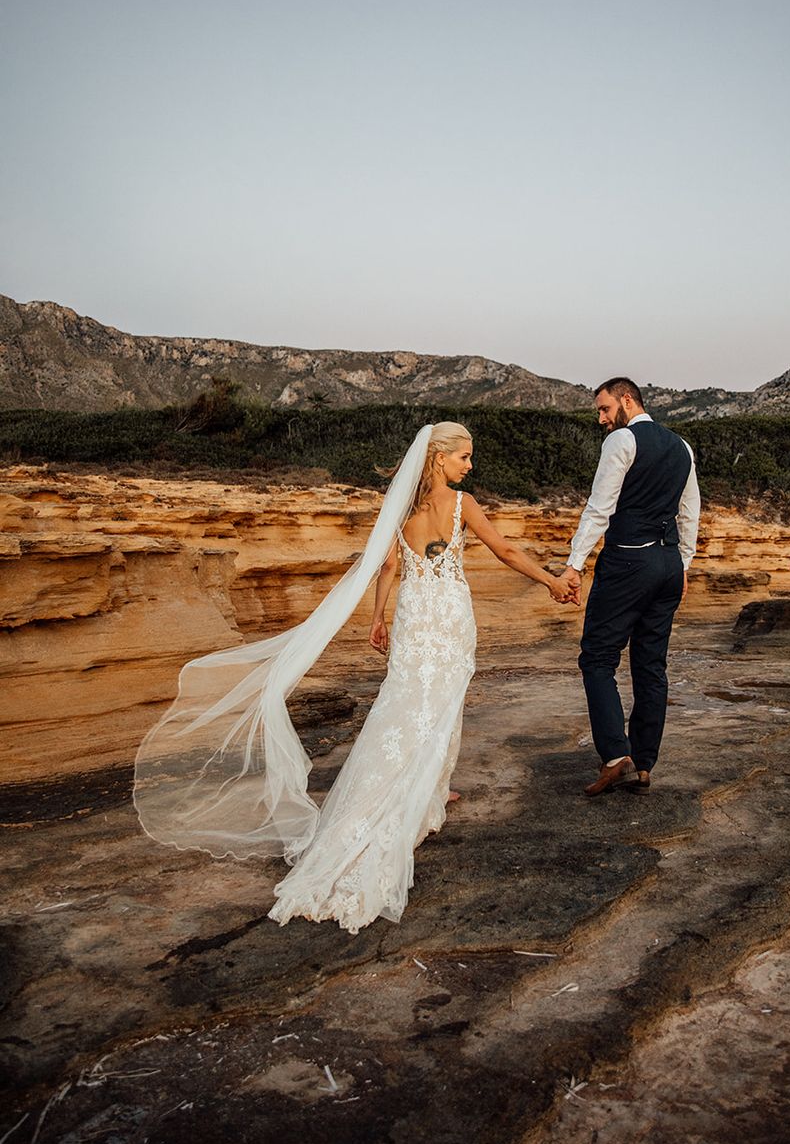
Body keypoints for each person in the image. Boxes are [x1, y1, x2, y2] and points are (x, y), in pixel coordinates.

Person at [134, 422, 574, 934]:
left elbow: (387, 565)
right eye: (464, 457)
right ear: (439, 459)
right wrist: (551, 581)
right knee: (441, 699)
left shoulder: (402, 511)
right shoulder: (462, 503)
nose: (469, 466)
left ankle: (427, 787)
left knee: (406, 699)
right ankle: (423, 791)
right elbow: (506, 551)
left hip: (414, 613)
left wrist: (378, 618)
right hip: (449, 614)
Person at [561, 378, 700, 796]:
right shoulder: (682, 446)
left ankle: (615, 757)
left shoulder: (622, 440)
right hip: (667, 564)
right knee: (651, 663)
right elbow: (689, 511)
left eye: (604, 409)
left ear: (627, 400)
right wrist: (684, 562)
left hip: (627, 561)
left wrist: (574, 564)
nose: (602, 419)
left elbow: (599, 508)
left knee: (598, 658)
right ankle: (644, 762)